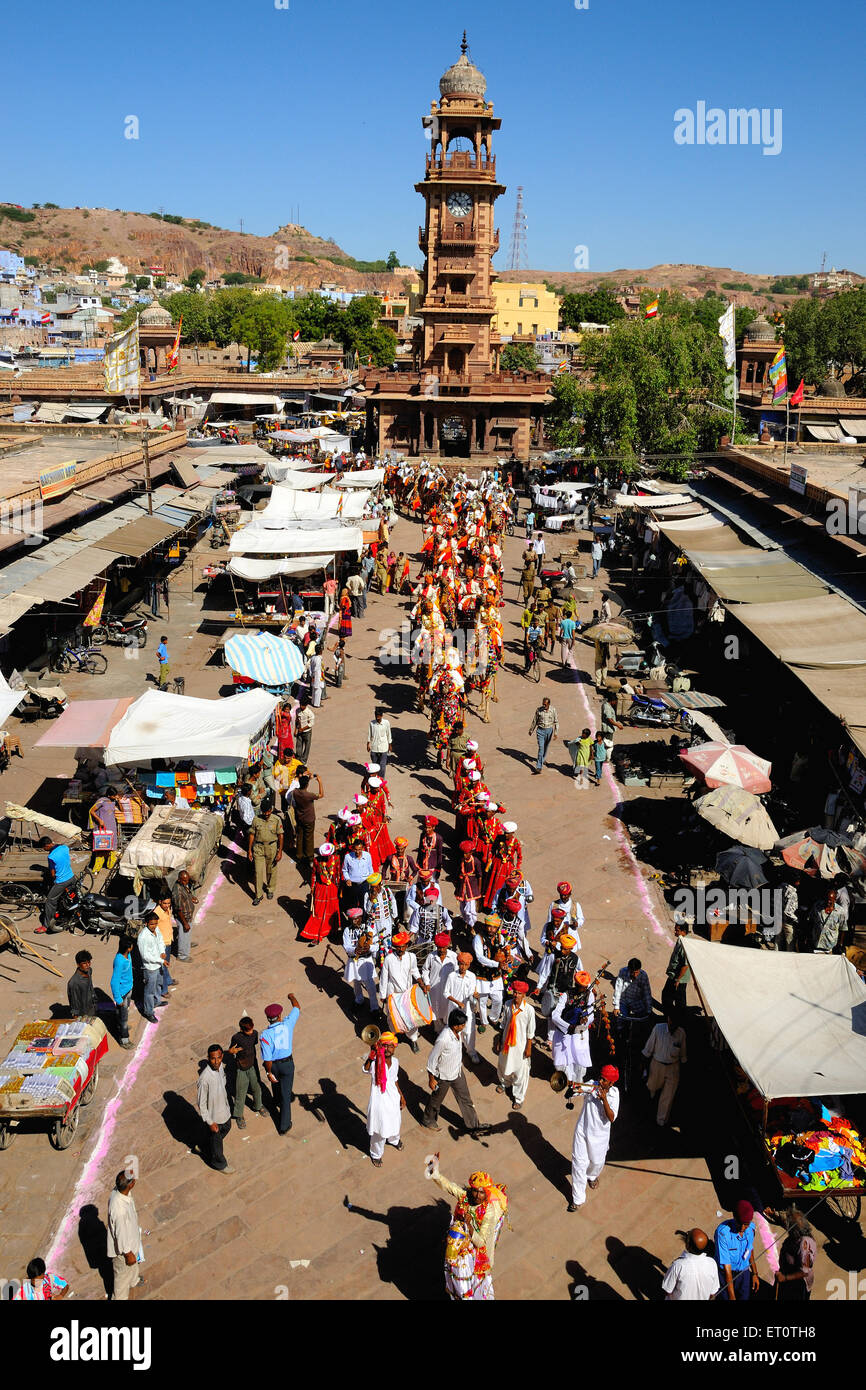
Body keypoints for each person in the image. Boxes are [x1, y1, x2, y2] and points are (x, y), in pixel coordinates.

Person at [429, 1159, 508, 1301]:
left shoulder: (489, 1213)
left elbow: (481, 1242)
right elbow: (449, 1186)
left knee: (477, 1277)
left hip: (478, 1245)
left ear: (487, 1193)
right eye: (475, 1191)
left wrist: (470, 1226)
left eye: (481, 1192)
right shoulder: (465, 1197)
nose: (477, 1196)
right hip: (462, 1235)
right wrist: (434, 1173)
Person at [569, 1063, 620, 1211]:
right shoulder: (592, 1085)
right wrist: (572, 1090)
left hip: (599, 1137)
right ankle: (577, 1198)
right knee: (578, 1164)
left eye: (605, 1080)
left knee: (596, 1162)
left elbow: (611, 1118)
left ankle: (592, 1175)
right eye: (601, 1078)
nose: (601, 1082)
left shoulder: (614, 1095)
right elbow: (579, 1089)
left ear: (612, 1083)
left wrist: (604, 1099)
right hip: (582, 1132)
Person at [423, 1008, 482, 1134]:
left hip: (457, 1073)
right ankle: (428, 1119)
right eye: (462, 1025)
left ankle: (473, 1125)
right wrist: (431, 1079)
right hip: (443, 1076)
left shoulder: (457, 1033)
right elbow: (432, 1060)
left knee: (465, 1099)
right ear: (455, 1026)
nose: (464, 1026)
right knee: (436, 1101)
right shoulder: (443, 1039)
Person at [260, 994, 301, 1135]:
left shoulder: (264, 1035)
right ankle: (284, 1125)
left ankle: (275, 1100)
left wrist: (268, 1073)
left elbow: (267, 1060)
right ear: (279, 1016)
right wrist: (291, 997)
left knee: (275, 1083)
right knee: (286, 1094)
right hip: (287, 1064)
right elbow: (297, 1007)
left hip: (274, 1065)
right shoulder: (287, 1024)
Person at [363, 1031, 405, 1166]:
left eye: (390, 1046)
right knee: (379, 1130)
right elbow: (365, 1069)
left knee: (395, 1121)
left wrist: (401, 1095)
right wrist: (371, 1054)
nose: (387, 1049)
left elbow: (395, 1080)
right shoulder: (375, 1063)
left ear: (395, 1047)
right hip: (379, 1102)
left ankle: (394, 1140)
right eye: (384, 1046)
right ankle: (376, 1154)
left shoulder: (396, 1062)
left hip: (393, 1098)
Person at [379, 931, 424, 1053]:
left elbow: (415, 971)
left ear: (407, 945)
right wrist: (383, 995)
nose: (401, 948)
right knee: (392, 1018)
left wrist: (421, 982)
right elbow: (384, 977)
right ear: (395, 946)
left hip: (407, 993)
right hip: (393, 994)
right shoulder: (388, 959)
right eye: (398, 946)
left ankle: (413, 1039)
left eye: (403, 946)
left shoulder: (411, 957)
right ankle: (393, 1038)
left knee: (411, 1018)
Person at [642, 1011, 687, 1126]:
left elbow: (683, 1056)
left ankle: (660, 1122)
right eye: (671, 1022)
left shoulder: (681, 1034)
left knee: (668, 1097)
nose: (672, 1025)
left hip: (673, 1068)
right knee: (652, 1087)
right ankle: (650, 1104)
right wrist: (645, 1069)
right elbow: (648, 1050)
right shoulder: (658, 1029)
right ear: (668, 1019)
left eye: (675, 1024)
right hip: (657, 1065)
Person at [496, 979, 535, 1110]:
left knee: (520, 1071)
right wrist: (499, 1040)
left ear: (524, 995)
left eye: (519, 993)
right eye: (515, 992)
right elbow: (503, 1024)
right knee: (503, 1064)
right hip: (506, 1044)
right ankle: (504, 1083)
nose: (516, 995)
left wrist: (528, 1047)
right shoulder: (507, 1005)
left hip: (520, 1046)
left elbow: (531, 1032)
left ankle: (518, 1097)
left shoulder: (529, 1010)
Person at [107, 1170, 143, 1301]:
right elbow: (120, 1235)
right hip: (124, 1251)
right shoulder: (119, 1210)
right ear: (131, 1185)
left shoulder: (119, 1191)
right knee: (122, 1278)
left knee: (133, 1267)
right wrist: (128, 1254)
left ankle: (134, 1280)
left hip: (132, 1242)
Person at [197, 1044, 233, 1173]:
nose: (216, 1061)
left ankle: (207, 1145)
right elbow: (201, 1104)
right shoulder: (204, 1079)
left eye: (218, 1058)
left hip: (224, 1110)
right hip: (214, 1118)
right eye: (213, 1059)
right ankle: (219, 1164)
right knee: (217, 1142)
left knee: (227, 1127)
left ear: (221, 1057)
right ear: (208, 1058)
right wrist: (210, 1121)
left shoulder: (220, 1068)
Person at [714, 1200, 760, 1301]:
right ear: (734, 1217)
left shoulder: (751, 1229)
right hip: (726, 1274)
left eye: (746, 1224)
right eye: (740, 1223)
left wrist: (755, 1274)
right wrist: (732, 1296)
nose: (743, 1228)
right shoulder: (723, 1234)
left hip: (743, 1273)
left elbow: (750, 1250)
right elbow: (727, 1267)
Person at [227, 1015, 267, 1128]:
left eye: (251, 1028)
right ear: (241, 1029)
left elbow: (254, 1044)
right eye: (247, 1030)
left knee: (257, 1088)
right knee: (240, 1092)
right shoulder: (236, 1038)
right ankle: (239, 1115)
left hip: (252, 1065)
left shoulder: (255, 1033)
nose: (250, 1031)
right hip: (241, 1068)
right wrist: (231, 1051)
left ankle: (258, 1106)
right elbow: (231, 1049)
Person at [661, 1230, 721, 1301]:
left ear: (688, 1245)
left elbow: (667, 1291)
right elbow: (713, 1292)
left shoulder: (678, 1265)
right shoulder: (712, 1263)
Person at [774, 1209, 816, 1302]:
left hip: (798, 1285)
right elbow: (787, 1225)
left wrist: (784, 1278)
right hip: (787, 1278)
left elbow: (804, 1271)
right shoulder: (799, 1232)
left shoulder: (805, 1244)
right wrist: (775, 1217)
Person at [248, 798, 283, 906]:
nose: (266, 814)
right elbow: (252, 835)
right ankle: (258, 895)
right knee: (258, 872)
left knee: (271, 870)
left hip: (272, 847)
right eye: (264, 812)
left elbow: (280, 835)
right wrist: (249, 850)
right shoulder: (256, 820)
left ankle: (270, 889)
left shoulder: (276, 820)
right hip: (258, 848)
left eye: (268, 812)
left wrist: (279, 851)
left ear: (271, 809)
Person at [422, 932, 458, 1030]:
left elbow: (457, 972)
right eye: (439, 947)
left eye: (443, 947)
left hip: (448, 989)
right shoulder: (431, 956)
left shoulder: (453, 956)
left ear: (447, 946)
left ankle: (447, 1028)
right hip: (434, 989)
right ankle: (438, 1030)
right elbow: (425, 970)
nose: (441, 950)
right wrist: (427, 983)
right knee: (435, 1008)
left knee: (448, 1009)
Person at [39, 835, 75, 931]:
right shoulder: (64, 847)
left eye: (43, 848)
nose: (44, 849)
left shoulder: (51, 856)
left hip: (61, 881)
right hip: (71, 877)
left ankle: (45, 925)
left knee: (50, 900)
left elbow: (52, 873)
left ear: (46, 846)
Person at [137, 912, 168, 1023]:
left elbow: (160, 941)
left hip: (159, 964)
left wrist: (162, 952)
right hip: (150, 968)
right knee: (149, 991)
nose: (154, 926)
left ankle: (156, 1001)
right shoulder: (143, 937)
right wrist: (161, 960)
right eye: (151, 924)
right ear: (146, 924)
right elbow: (145, 956)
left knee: (158, 984)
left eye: (155, 924)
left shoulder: (156, 930)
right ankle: (148, 1012)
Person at [292, 772, 323, 880]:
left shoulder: (295, 792)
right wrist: (319, 782)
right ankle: (309, 857)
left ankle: (299, 855)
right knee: (309, 838)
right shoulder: (309, 795)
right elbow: (321, 795)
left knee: (300, 836)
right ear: (307, 785)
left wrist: (306, 778)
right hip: (309, 819)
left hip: (299, 817)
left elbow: (301, 783)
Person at [110, 936, 135, 1048]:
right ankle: (124, 1040)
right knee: (124, 1018)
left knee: (122, 1013)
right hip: (122, 993)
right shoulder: (120, 961)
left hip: (128, 989)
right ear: (128, 948)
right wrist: (118, 998)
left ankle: (119, 1025)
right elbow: (114, 982)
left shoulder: (127, 955)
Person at [662, 920, 691, 1013]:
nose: (675, 932)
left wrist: (678, 979)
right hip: (675, 975)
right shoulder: (681, 939)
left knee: (676, 999)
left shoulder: (685, 945)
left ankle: (674, 1018)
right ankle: (673, 1016)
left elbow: (685, 965)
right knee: (675, 998)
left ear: (683, 931)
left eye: (677, 930)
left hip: (678, 977)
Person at [528, 696, 558, 775]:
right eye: (543, 704)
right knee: (541, 748)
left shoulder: (553, 710)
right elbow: (535, 720)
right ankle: (539, 767)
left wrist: (555, 733)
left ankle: (543, 759)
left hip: (549, 730)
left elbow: (556, 722)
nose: (544, 706)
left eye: (545, 705)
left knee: (546, 746)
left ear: (549, 704)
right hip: (540, 731)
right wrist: (531, 730)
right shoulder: (538, 710)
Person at [342, 839, 374, 912]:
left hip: (365, 884)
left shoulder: (367, 856)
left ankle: (363, 921)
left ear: (362, 848)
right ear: (353, 848)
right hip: (353, 885)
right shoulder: (348, 857)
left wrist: (372, 882)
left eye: (359, 849)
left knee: (364, 903)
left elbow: (370, 869)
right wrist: (347, 879)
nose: (357, 852)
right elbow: (345, 870)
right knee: (353, 904)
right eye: (356, 849)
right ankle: (354, 922)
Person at [172, 869, 197, 962]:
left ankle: (187, 944)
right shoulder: (177, 891)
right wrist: (184, 923)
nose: (186, 882)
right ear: (179, 879)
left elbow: (187, 895)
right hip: (183, 918)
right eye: (184, 880)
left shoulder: (183, 885)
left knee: (186, 933)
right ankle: (182, 955)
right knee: (183, 934)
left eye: (187, 880)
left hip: (188, 916)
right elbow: (178, 909)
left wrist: (192, 898)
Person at [67, 948, 96, 1018]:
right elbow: (75, 1003)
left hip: (92, 1007)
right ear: (78, 964)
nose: (88, 965)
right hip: (82, 1014)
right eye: (84, 963)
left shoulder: (89, 971)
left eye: (89, 962)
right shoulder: (74, 983)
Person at [367, 708, 393, 779]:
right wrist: (368, 744)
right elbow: (370, 734)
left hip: (383, 747)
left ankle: (381, 779)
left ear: (382, 716)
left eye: (379, 716)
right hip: (374, 747)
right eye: (376, 716)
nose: (377, 718)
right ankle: (375, 777)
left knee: (382, 766)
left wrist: (390, 744)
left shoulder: (386, 723)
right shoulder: (372, 723)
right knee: (375, 764)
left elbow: (388, 734)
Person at [294, 701, 315, 766]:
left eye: (303, 705)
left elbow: (311, 724)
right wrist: (295, 730)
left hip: (307, 732)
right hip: (299, 731)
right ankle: (298, 759)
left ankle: (304, 761)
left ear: (306, 705)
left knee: (307, 747)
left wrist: (302, 729)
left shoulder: (310, 713)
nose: (301, 707)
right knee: (298, 746)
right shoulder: (298, 710)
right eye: (300, 705)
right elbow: (297, 720)